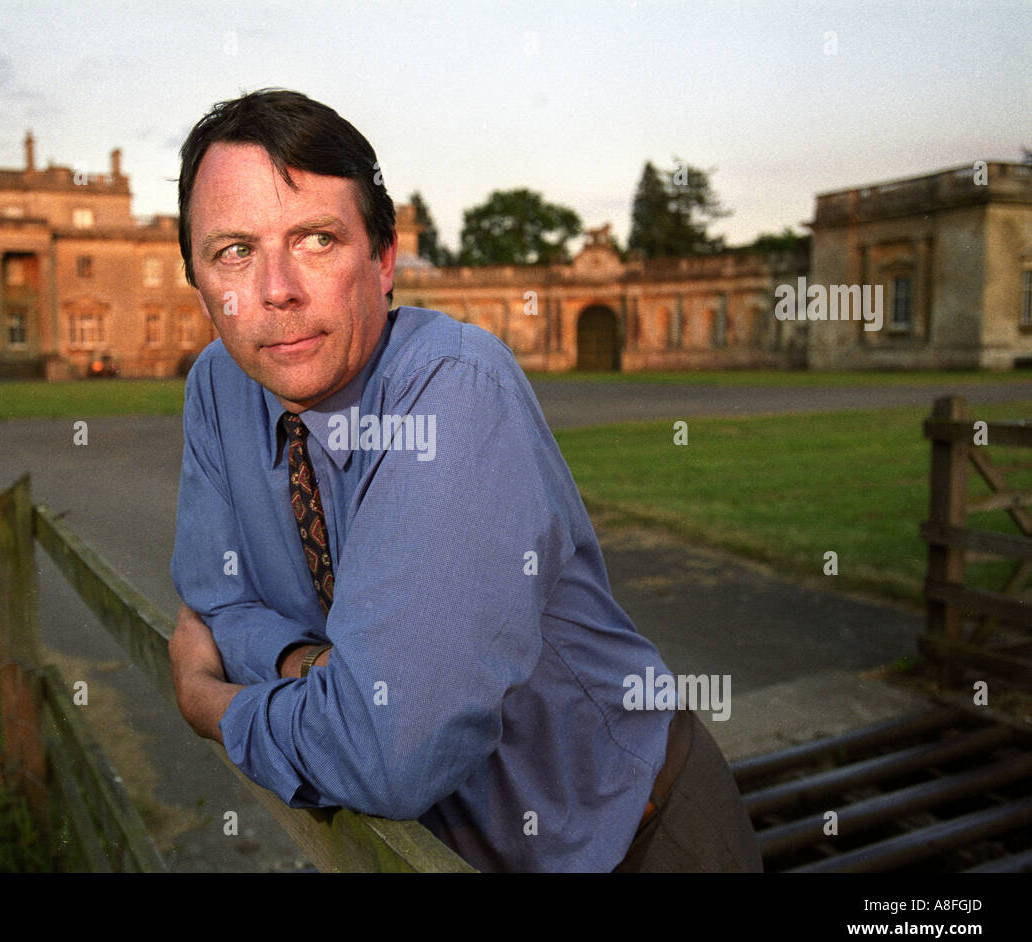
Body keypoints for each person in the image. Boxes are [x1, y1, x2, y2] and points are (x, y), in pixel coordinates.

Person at [167, 88, 761, 872]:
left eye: (316, 238)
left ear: (383, 262)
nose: (276, 288)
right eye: (234, 250)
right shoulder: (218, 386)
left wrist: (215, 704)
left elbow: (386, 752)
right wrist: (305, 668)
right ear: (200, 281)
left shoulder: (453, 391)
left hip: (627, 837)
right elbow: (213, 596)